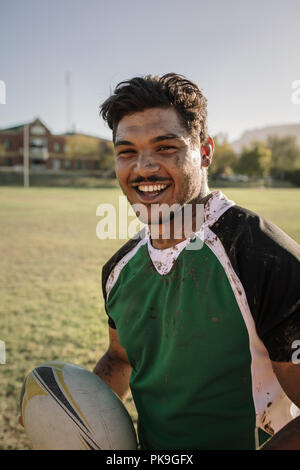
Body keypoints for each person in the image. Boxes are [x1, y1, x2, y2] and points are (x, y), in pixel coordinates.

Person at [93, 73, 300, 450]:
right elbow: (119, 358)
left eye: (166, 147)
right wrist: (66, 409)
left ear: (204, 152)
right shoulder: (119, 269)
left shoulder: (263, 256)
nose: (143, 168)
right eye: (127, 152)